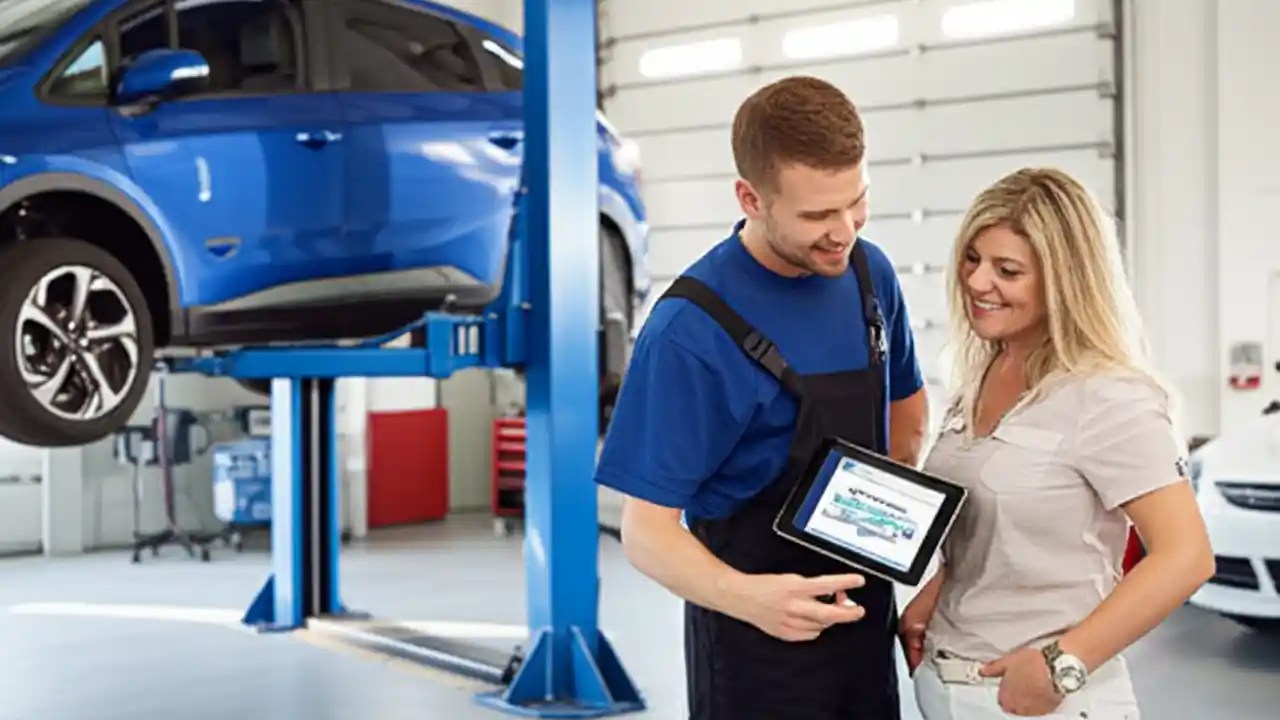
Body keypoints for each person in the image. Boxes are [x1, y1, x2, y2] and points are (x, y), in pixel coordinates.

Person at [594, 75, 929, 719]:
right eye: (816, 216)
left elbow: (907, 418)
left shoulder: (869, 274)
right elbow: (646, 532)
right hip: (753, 647)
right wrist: (752, 599)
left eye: (855, 202)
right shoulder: (688, 331)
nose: (843, 232)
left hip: (866, 628)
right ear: (750, 197)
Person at [900, 167, 1216, 719]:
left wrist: (1062, 662)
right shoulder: (980, 375)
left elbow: (1185, 556)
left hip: (1045, 703)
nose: (976, 282)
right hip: (945, 687)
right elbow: (999, 519)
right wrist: (942, 590)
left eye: (1007, 270)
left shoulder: (1110, 396)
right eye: (972, 260)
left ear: (1064, 280)